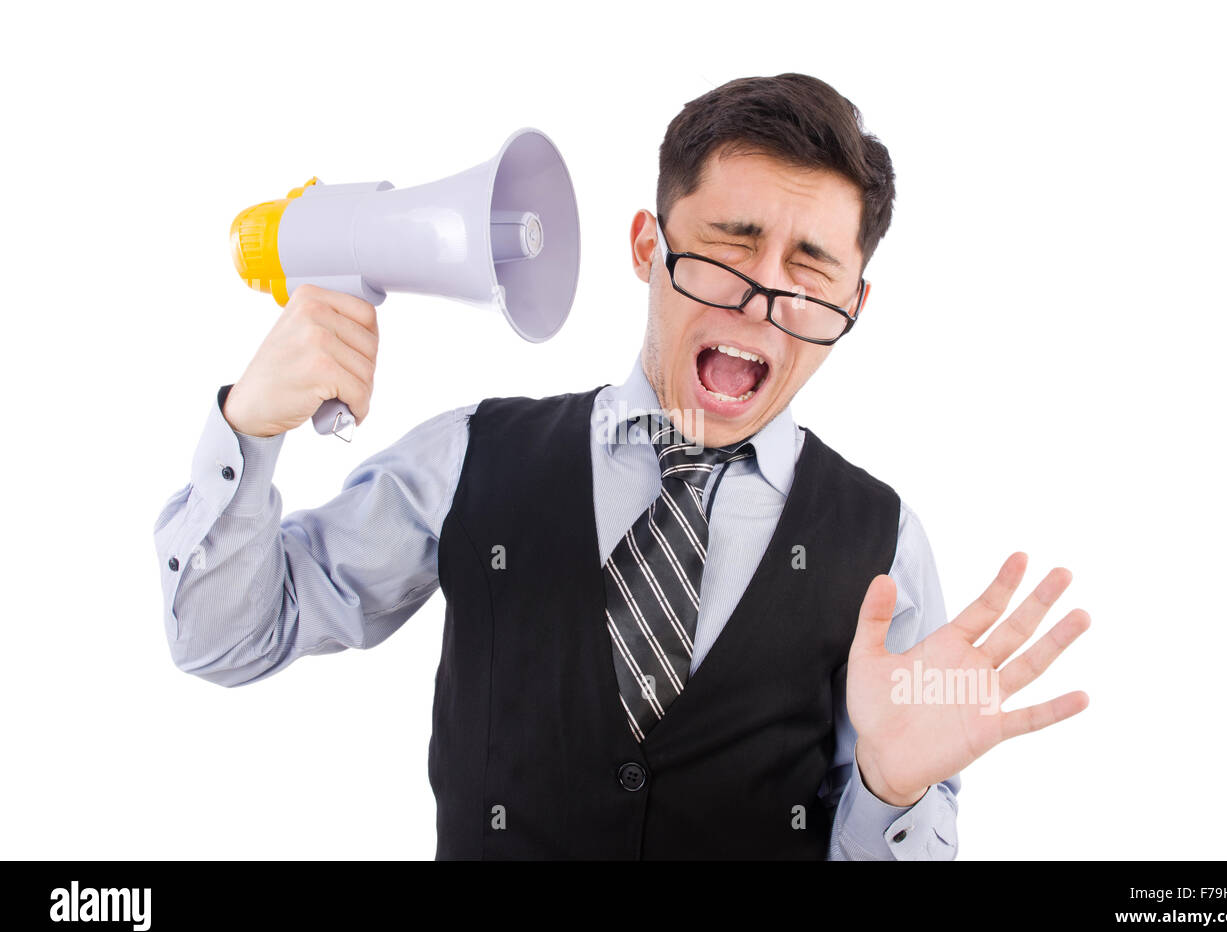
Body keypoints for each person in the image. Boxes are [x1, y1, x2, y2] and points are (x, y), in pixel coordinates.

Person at [154, 72, 1090, 860]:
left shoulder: (883, 546)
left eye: (810, 266)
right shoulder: (469, 458)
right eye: (731, 240)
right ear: (648, 245)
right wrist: (249, 427)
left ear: (855, 300)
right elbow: (221, 636)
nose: (765, 299)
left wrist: (890, 788)